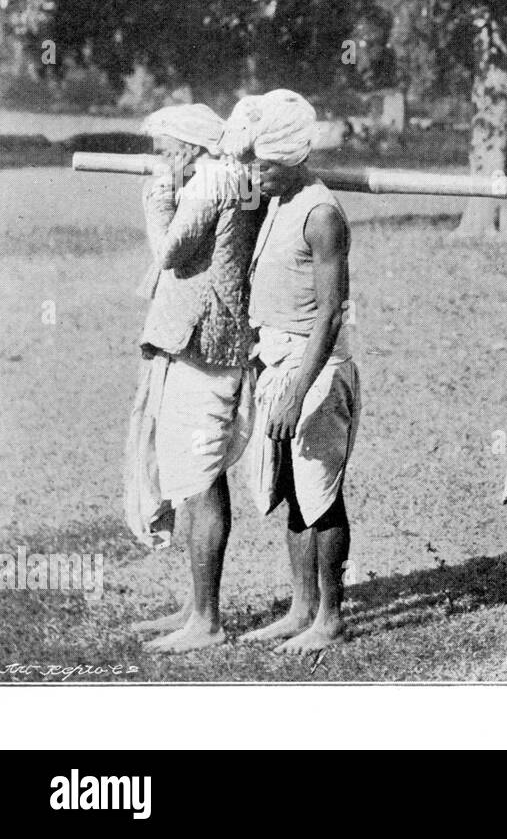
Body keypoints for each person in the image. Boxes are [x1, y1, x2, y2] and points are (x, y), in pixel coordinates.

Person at [222, 89, 361, 654]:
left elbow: (331, 314)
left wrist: (296, 393)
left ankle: (329, 615)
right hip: (277, 363)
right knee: (291, 489)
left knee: (321, 493)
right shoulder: (277, 199)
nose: (256, 172)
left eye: (265, 164)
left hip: (317, 369)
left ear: (295, 157)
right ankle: (300, 607)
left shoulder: (322, 214)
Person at [124, 104, 261, 653]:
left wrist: (156, 200)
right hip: (197, 338)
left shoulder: (214, 181)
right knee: (189, 473)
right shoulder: (218, 177)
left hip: (207, 343)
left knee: (199, 477)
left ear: (186, 147)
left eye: (163, 149)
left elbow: (169, 253)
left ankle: (207, 620)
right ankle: (194, 605)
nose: (159, 159)